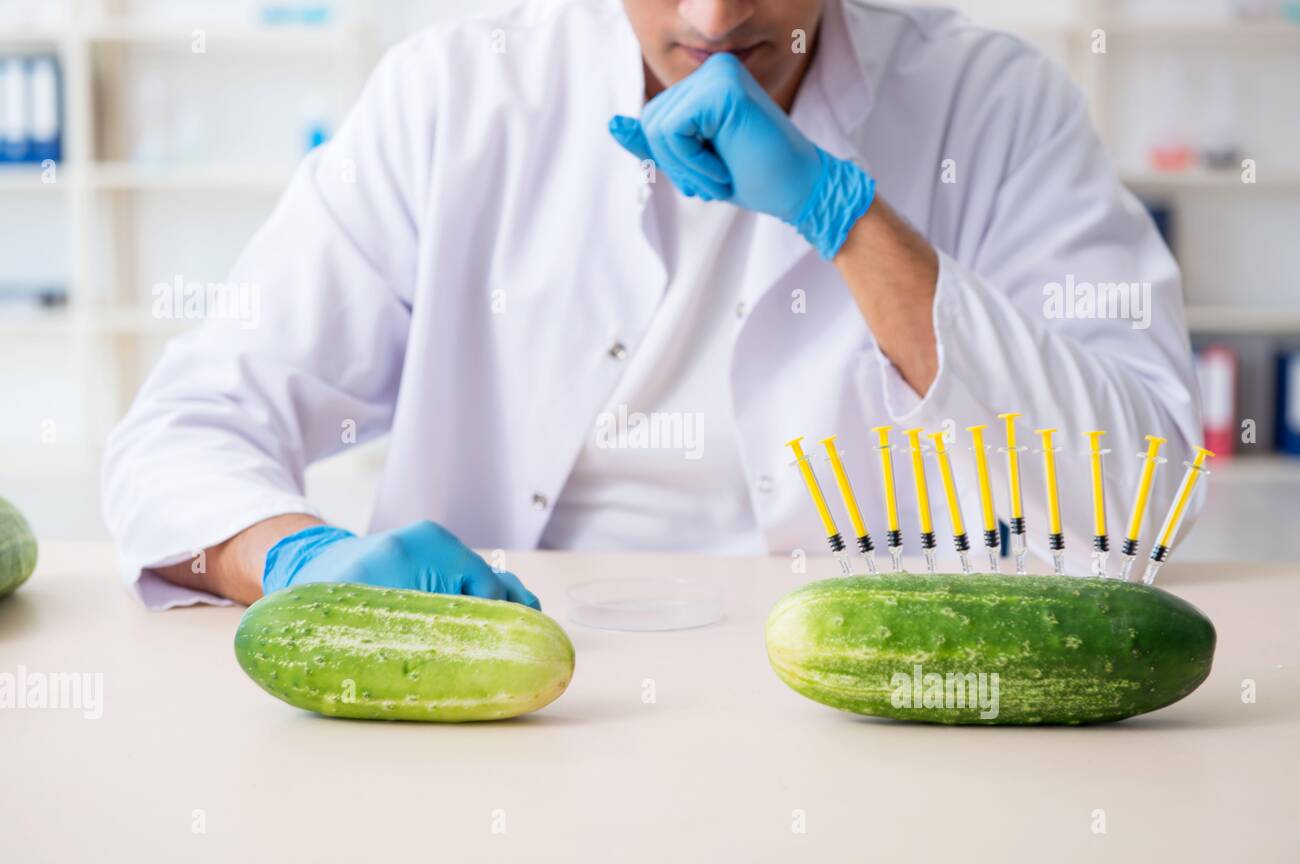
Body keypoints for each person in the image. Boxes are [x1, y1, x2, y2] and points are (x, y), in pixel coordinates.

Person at [102, 0, 1202, 609]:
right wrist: (297, 562)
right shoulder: (455, 100)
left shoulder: (991, 106)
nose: (713, 15)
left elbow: (1145, 497)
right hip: (501, 712)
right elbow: (185, 431)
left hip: (869, 717)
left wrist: (848, 221)